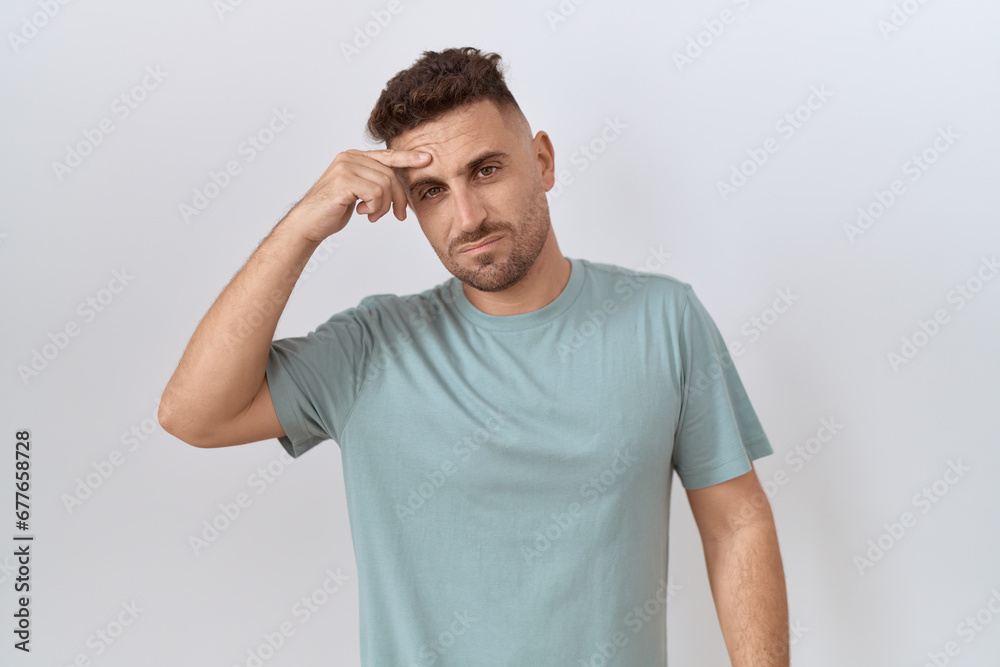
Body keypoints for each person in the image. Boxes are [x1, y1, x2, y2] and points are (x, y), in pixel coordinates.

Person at [158, 46, 789, 666]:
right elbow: (193, 414)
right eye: (431, 190)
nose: (467, 216)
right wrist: (301, 227)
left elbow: (736, 522)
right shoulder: (370, 348)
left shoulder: (663, 319)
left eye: (486, 170)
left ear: (541, 161)